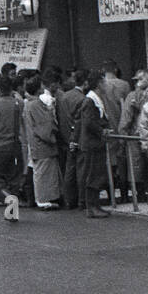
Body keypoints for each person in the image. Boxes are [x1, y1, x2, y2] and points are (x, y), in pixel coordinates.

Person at [0, 76, 24, 222]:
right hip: (15, 147)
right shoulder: (18, 103)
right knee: (13, 179)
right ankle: (11, 214)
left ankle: (8, 199)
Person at [22, 73, 61, 210]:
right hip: (43, 145)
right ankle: (43, 200)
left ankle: (42, 199)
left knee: (39, 172)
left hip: (34, 143)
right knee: (44, 173)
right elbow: (44, 126)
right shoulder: (36, 105)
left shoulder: (28, 104)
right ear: (39, 88)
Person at [75, 72, 110, 218]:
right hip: (92, 144)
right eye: (104, 82)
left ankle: (95, 205)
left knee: (97, 174)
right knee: (93, 174)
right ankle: (92, 206)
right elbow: (89, 123)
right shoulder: (90, 101)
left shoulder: (94, 100)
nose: (106, 85)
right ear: (99, 84)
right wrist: (102, 131)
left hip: (95, 143)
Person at [119, 68, 148, 204]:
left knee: (137, 165)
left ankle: (140, 194)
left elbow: (126, 118)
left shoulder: (132, 96)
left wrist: (122, 135)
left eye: (139, 79)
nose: (137, 83)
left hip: (136, 134)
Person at [100, 61, 131, 202]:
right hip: (120, 125)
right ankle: (124, 192)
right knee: (122, 160)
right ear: (116, 69)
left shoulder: (100, 86)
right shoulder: (124, 85)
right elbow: (127, 106)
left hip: (107, 127)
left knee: (108, 161)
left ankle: (110, 191)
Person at [55, 70, 86, 209]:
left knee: (69, 169)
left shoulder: (63, 97)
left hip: (66, 135)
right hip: (78, 137)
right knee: (80, 169)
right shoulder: (82, 99)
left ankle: (69, 199)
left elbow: (61, 119)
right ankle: (81, 198)